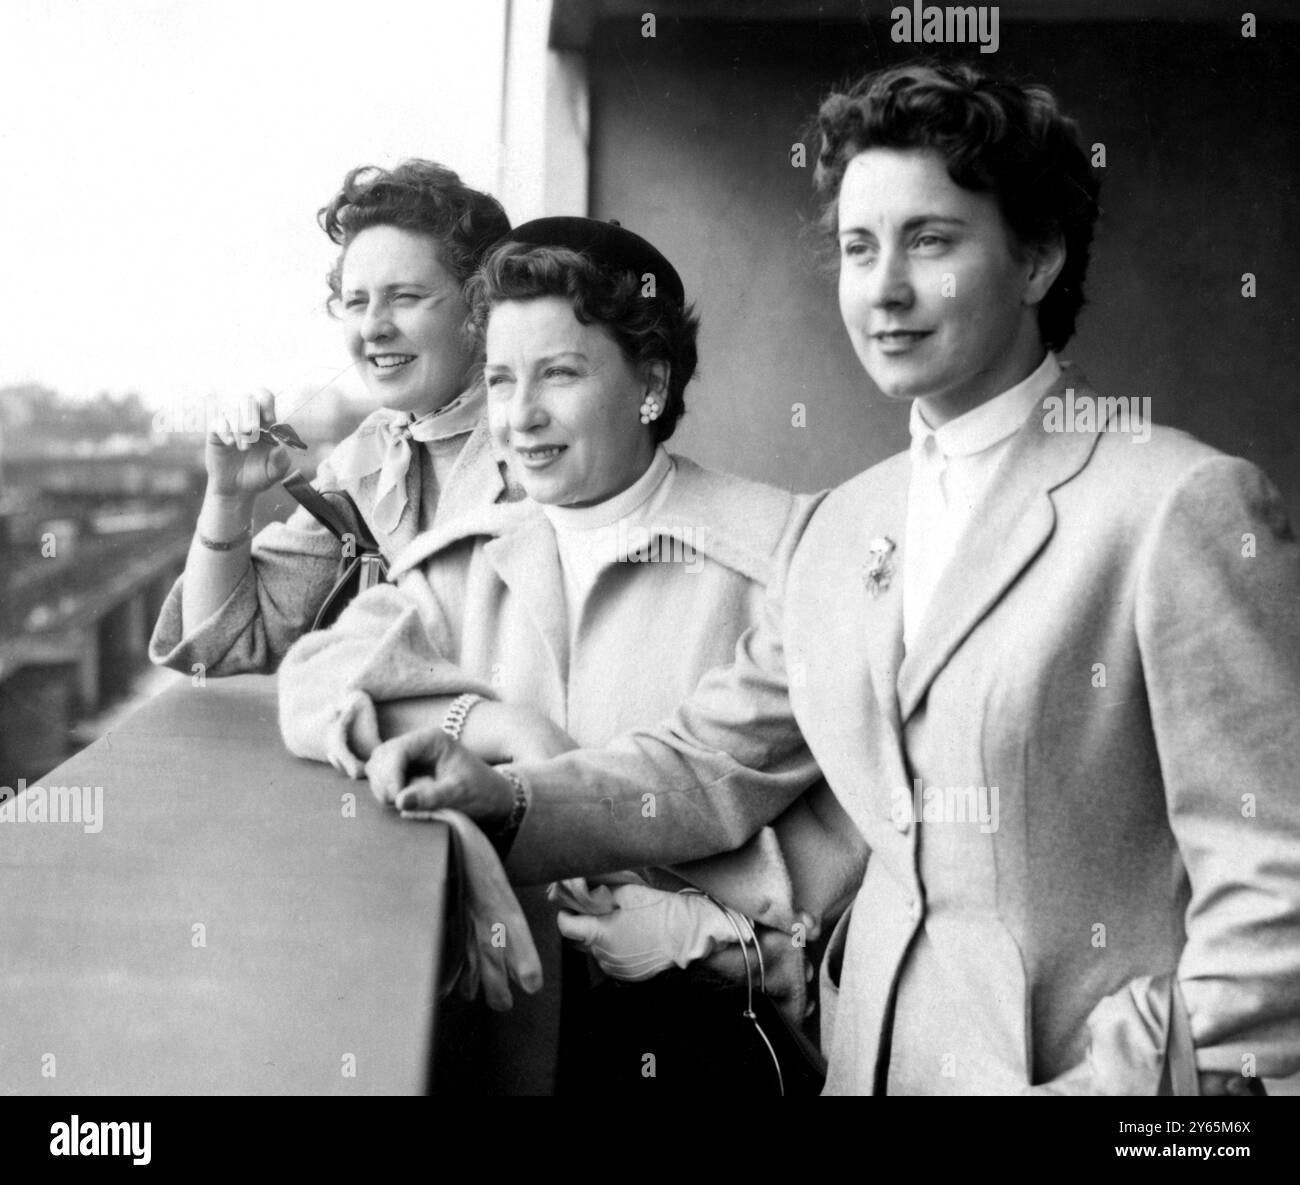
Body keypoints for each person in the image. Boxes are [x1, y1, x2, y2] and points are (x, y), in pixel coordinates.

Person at [373, 62, 1300, 1096]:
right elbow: (707, 765)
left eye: (931, 241)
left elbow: (1276, 889)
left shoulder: (1176, 503)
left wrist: (1138, 1098)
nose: (885, 288)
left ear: (1036, 259)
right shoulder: (843, 525)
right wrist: (505, 800)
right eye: (859, 248)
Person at [277, 217, 866, 1092]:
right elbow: (314, 679)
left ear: (650, 383)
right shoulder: (467, 559)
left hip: (715, 1047)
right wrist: (493, 722)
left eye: (560, 373)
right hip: (513, 1043)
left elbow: (853, 844)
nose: (522, 415)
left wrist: (706, 936)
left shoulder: (782, 554)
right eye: (502, 378)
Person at [150, 160, 516, 676]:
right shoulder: (369, 456)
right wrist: (228, 497)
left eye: (405, 297)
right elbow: (220, 647)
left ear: (480, 307)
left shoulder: (533, 445)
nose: (373, 328)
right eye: (356, 302)